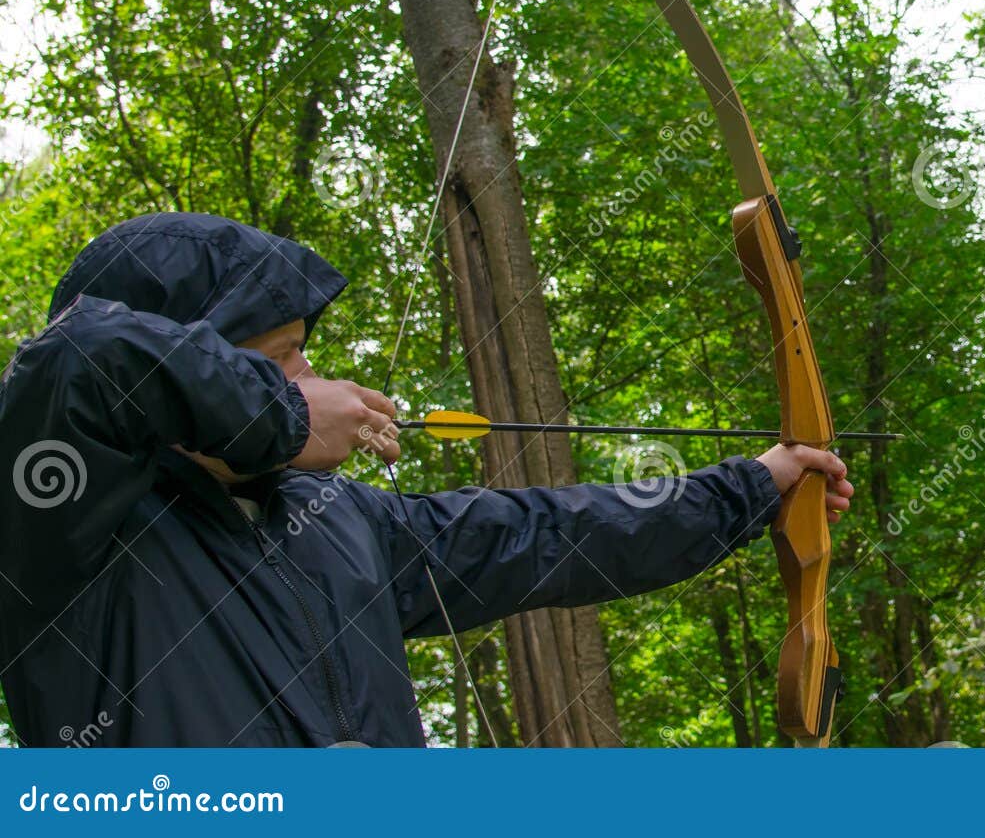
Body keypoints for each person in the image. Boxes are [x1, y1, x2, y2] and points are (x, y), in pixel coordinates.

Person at [0, 212, 851, 746]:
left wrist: (752, 488)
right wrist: (285, 415)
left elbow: (549, 534)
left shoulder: (339, 521)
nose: (312, 375)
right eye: (281, 358)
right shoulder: (67, 525)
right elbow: (79, 355)